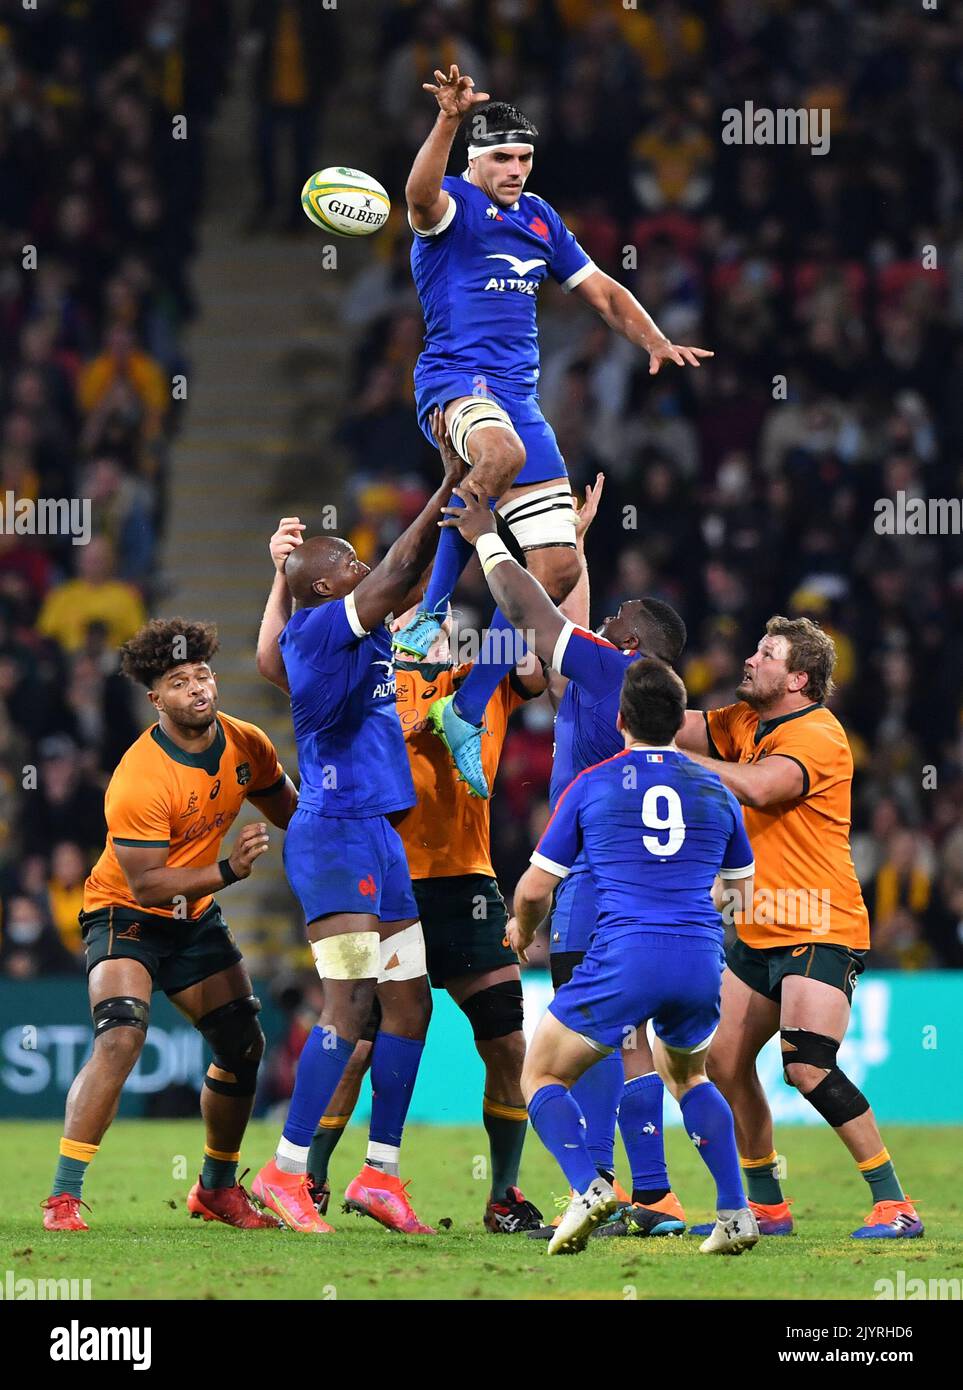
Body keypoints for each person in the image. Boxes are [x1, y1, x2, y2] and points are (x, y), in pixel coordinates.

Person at [393, 66, 712, 798]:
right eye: (501, 157)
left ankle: (466, 709)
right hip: (456, 384)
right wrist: (445, 119)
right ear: (473, 157)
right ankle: (430, 614)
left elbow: (601, 290)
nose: (514, 170)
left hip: (517, 395)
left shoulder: (539, 217)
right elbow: (414, 197)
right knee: (496, 454)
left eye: (523, 158)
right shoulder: (452, 207)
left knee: (560, 570)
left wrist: (653, 340)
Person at [441, 479, 688, 1239]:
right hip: (634, 883)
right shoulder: (610, 678)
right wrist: (570, 541)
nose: (606, 616)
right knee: (630, 1038)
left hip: (590, 872)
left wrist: (488, 535)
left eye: (619, 617)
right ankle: (656, 1197)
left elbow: (531, 614)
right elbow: (561, 622)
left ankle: (603, 1183)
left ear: (632, 646)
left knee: (585, 1039)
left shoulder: (607, 669)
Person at [250, 411, 464, 1235]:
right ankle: (286, 1168)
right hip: (334, 838)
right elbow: (398, 572)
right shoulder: (323, 629)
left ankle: (380, 1175)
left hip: (377, 834)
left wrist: (469, 518)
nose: (362, 562)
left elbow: (412, 584)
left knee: (410, 1006)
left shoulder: (325, 634)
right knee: (348, 1006)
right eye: (348, 561)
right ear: (332, 589)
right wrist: (446, 482)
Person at [42, 618, 298, 1232]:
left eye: (203, 675)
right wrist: (229, 870)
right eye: (180, 682)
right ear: (157, 699)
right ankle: (63, 1196)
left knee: (244, 1045)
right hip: (123, 913)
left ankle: (215, 1189)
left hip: (195, 920)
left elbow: (294, 811)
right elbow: (148, 883)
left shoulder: (247, 744)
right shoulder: (139, 776)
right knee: (123, 1034)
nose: (198, 689)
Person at [676, 616, 924, 1240]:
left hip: (821, 922)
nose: (751, 660)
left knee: (807, 1064)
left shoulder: (820, 734)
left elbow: (762, 789)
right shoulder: (741, 721)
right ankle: (768, 1204)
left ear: (799, 679)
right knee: (724, 1064)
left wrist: (675, 760)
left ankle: (895, 1204)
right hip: (758, 926)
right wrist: (616, 677)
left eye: (767, 654)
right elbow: (670, 724)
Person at [510, 659, 759, 1256]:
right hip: (699, 958)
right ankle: (735, 1212)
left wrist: (522, 932)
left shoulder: (593, 784)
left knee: (541, 1073)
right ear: (680, 723)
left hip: (624, 953)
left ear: (620, 720)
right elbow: (741, 893)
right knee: (689, 1075)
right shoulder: (717, 791)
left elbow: (533, 889)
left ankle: (587, 1188)